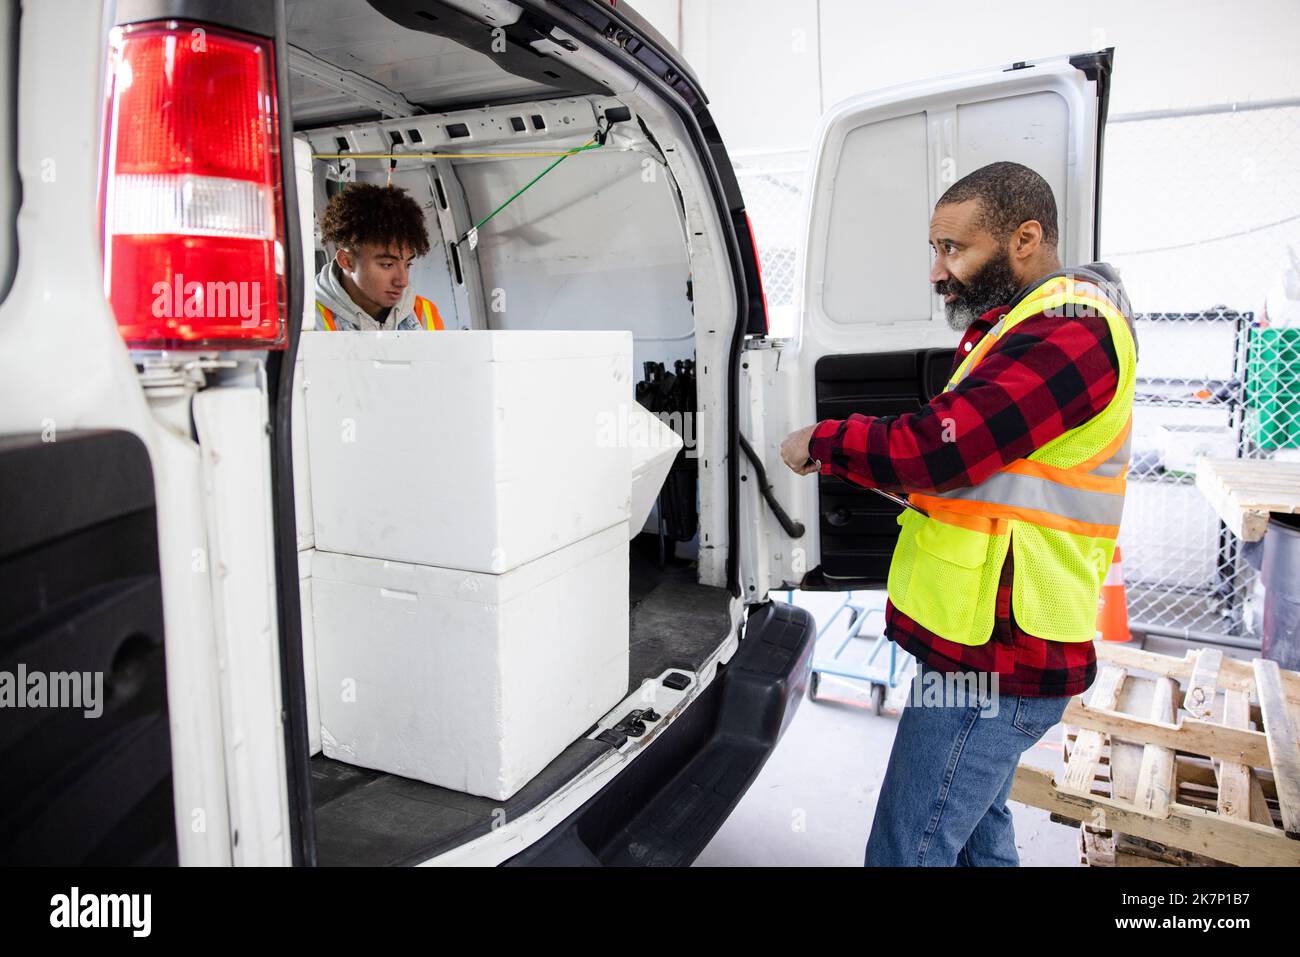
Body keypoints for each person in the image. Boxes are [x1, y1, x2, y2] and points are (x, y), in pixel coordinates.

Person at [779, 161, 1137, 866]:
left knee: (906, 851)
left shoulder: (1073, 330)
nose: (937, 271)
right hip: (983, 644)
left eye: (954, 248)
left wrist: (824, 440)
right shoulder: (1023, 325)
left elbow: (942, 448)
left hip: (995, 662)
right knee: (977, 835)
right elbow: (984, 471)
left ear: (1024, 239)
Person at [314, 182, 445, 332]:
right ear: (347, 261)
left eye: (407, 265)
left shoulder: (425, 313)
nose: (402, 281)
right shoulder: (306, 321)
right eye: (387, 265)